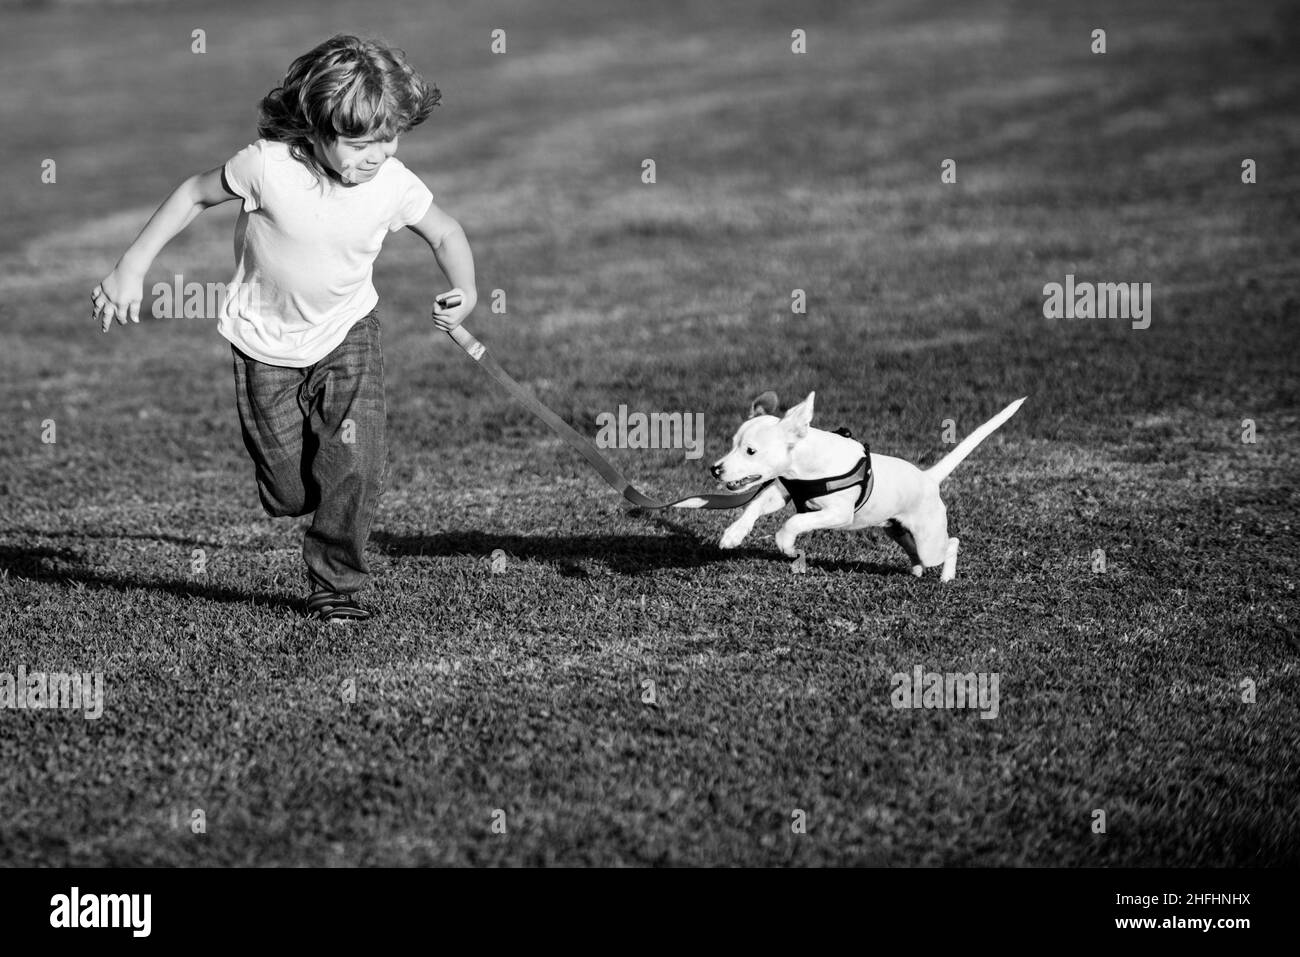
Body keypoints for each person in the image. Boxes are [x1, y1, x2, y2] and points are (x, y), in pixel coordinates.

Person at [91, 35, 478, 622]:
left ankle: (335, 587)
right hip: (262, 342)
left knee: (356, 461)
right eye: (358, 141)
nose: (375, 154)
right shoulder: (267, 167)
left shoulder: (392, 183)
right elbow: (194, 195)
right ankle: (305, 494)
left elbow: (446, 232)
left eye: (387, 137)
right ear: (316, 127)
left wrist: (466, 290)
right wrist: (130, 267)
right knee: (291, 491)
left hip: (349, 332)